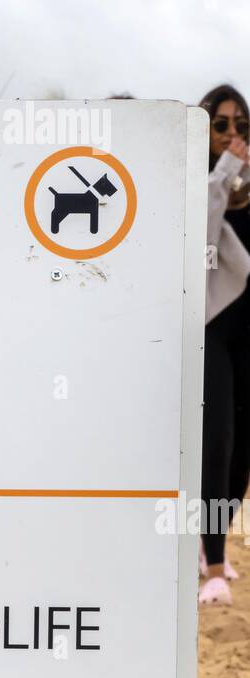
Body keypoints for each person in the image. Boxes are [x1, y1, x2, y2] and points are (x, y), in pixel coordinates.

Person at [199, 84, 250, 605]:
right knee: (217, 445)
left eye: (241, 126)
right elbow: (203, 247)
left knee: (244, 457)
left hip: (249, 335)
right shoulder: (202, 183)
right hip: (213, 326)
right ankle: (214, 564)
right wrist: (221, 175)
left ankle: (209, 543)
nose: (233, 134)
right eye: (221, 125)